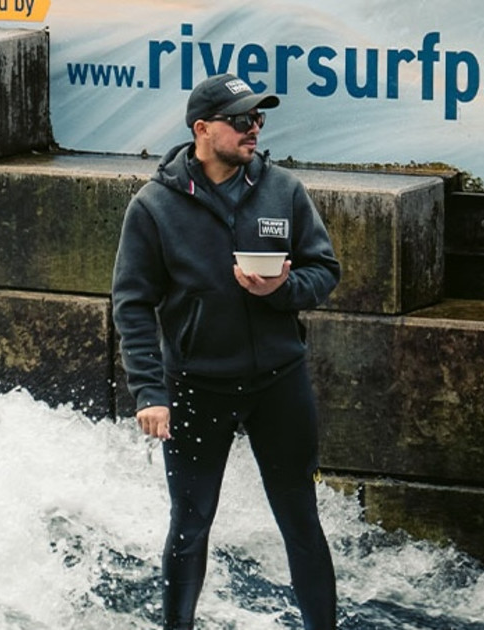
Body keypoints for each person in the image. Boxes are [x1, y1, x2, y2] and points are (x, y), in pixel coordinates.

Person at [111, 73, 342, 630]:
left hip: (278, 381)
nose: (254, 128)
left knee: (301, 521)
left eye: (259, 119)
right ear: (203, 129)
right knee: (190, 524)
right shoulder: (153, 207)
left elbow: (325, 269)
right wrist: (149, 391)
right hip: (195, 386)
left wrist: (280, 291)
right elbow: (132, 304)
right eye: (241, 120)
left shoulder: (282, 189)